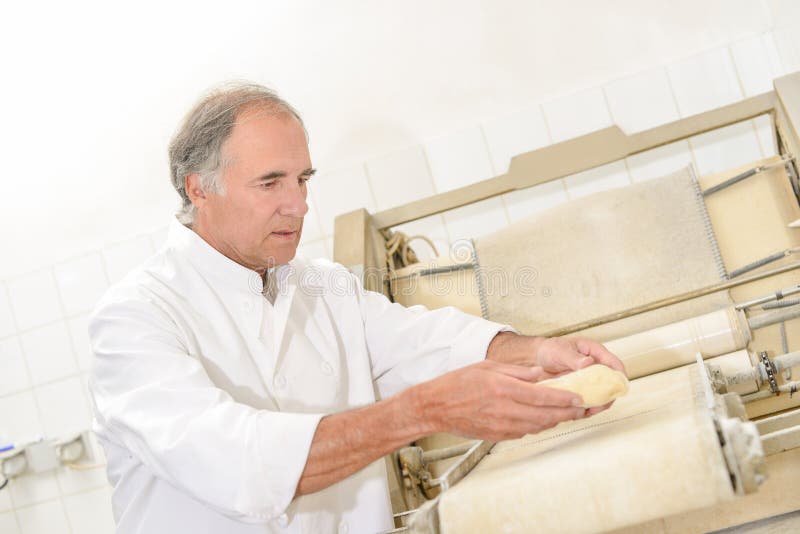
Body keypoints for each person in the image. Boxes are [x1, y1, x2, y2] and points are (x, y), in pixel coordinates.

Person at [88, 82, 625, 534]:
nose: (298, 205)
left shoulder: (323, 287)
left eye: (303, 180)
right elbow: (236, 464)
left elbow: (426, 344)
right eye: (270, 183)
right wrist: (422, 411)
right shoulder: (136, 317)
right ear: (198, 189)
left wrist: (535, 354)